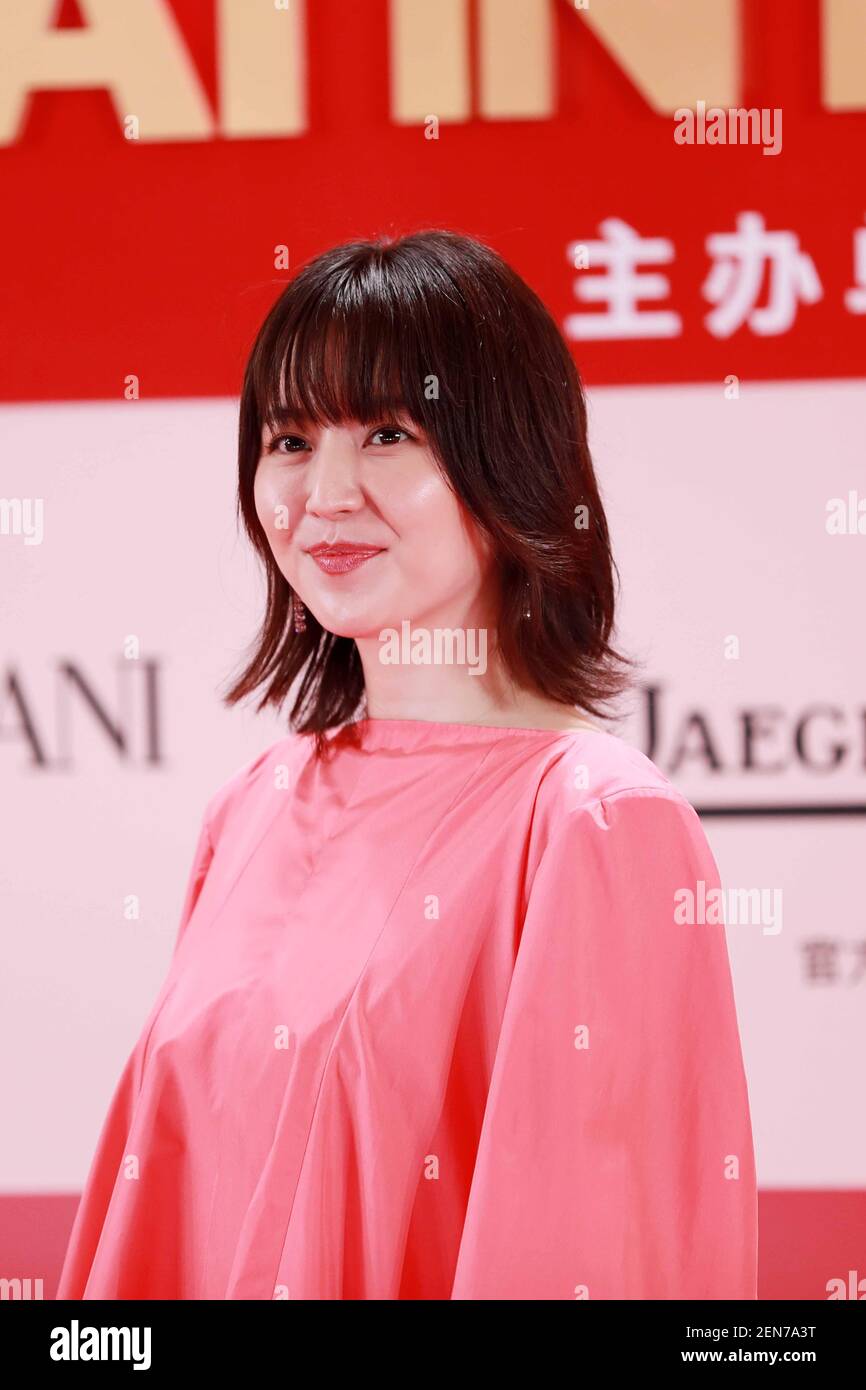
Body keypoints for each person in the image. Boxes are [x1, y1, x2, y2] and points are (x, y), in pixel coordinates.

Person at [56, 229, 757, 1300]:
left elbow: (593, 1259)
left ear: (508, 460)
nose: (323, 493)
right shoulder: (252, 808)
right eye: (288, 440)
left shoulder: (594, 821)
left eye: (385, 433)